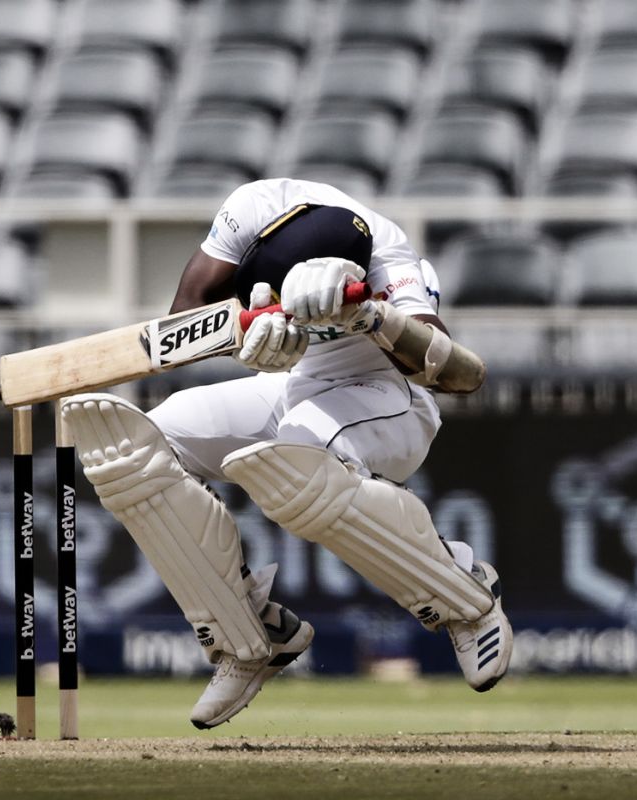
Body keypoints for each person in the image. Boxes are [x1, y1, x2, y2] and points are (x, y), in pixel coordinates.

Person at [61, 178, 511, 729]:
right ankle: (247, 636)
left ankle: (465, 596)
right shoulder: (253, 206)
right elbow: (184, 314)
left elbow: (459, 377)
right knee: (137, 447)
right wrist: (246, 330)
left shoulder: (385, 252)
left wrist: (371, 317)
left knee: (298, 462)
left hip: (387, 399)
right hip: (292, 387)